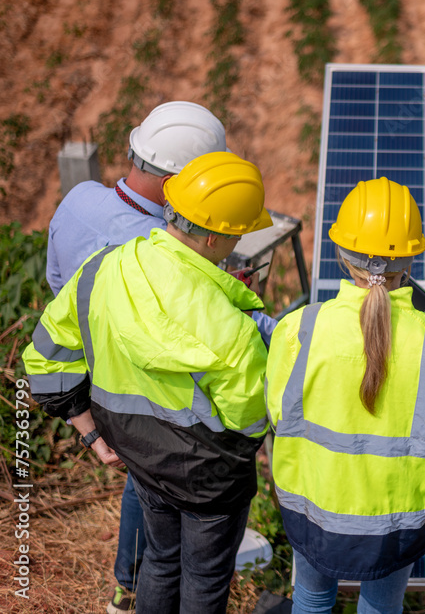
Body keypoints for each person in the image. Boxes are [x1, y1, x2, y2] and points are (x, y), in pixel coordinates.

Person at [24, 151, 273, 614]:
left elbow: (45, 358)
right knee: (205, 578)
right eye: (238, 232)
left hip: (138, 457)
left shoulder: (102, 268)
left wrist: (91, 433)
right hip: (209, 480)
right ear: (216, 238)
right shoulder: (232, 328)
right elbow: (252, 421)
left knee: (160, 559)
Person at [265, 177, 425, 614]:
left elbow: (279, 416)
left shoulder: (299, 330)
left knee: (310, 599)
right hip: (395, 523)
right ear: (410, 260)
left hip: (311, 510)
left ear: (340, 253)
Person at [45, 101, 231, 614]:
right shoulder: (162, 250)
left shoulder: (77, 200)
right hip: (148, 402)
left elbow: (59, 292)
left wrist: (85, 425)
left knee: (145, 486)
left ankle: (127, 588)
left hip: (93, 387)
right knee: (160, 495)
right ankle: (140, 580)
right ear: (175, 185)